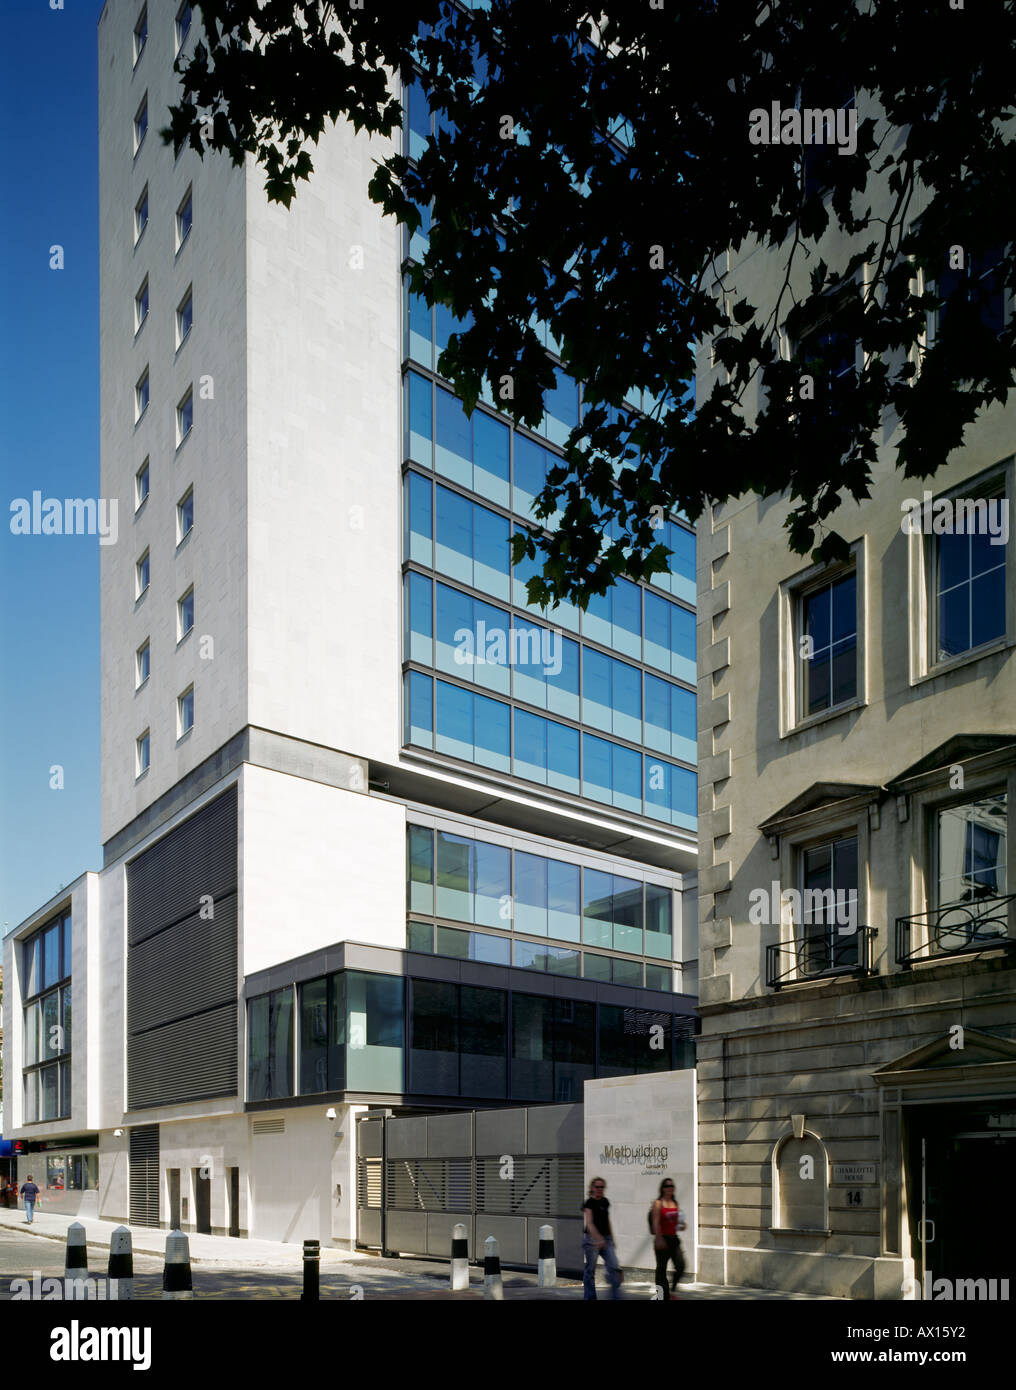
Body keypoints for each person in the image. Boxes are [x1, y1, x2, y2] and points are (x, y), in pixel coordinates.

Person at [581, 1176, 622, 1300]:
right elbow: (589, 1223)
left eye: (602, 1187)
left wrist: (612, 1238)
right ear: (592, 1188)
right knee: (590, 1271)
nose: (599, 1189)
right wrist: (598, 1238)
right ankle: (590, 1297)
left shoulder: (605, 1201)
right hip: (591, 1240)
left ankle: (615, 1296)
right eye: (597, 1187)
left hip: (607, 1239)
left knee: (614, 1266)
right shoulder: (589, 1203)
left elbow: (607, 1220)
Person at [651, 1177, 686, 1300]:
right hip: (662, 1239)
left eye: (671, 1186)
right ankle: (662, 1296)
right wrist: (658, 1238)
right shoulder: (658, 1203)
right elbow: (655, 1222)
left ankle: (670, 1290)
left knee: (681, 1265)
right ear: (662, 1188)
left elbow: (676, 1222)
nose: (669, 1188)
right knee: (661, 1269)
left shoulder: (674, 1203)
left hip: (674, 1239)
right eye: (667, 1186)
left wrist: (682, 1225)